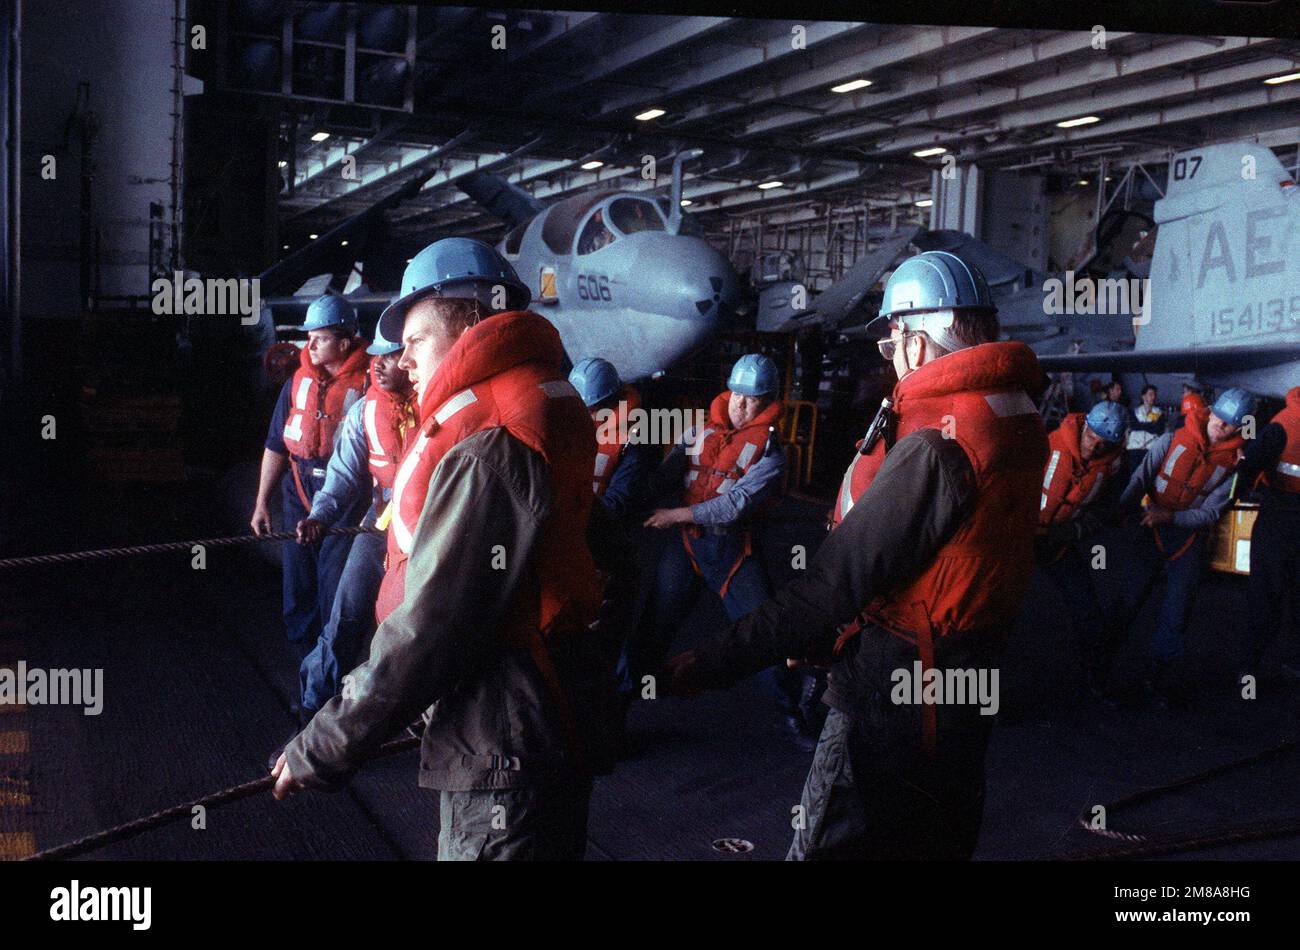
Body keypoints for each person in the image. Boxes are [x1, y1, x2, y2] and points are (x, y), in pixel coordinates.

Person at [665, 250, 1048, 859]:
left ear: (919, 344)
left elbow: (830, 586)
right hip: (965, 677)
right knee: (935, 834)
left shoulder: (936, 445)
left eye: (891, 342)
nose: (890, 358)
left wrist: (706, 664)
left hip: (897, 687)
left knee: (833, 840)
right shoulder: (1017, 413)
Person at [272, 238, 615, 861]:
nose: (402, 363)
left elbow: (431, 627)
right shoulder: (545, 394)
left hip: (501, 743)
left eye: (416, 341)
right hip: (548, 713)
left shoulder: (490, 440)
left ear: (473, 319)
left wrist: (321, 746)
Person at [636, 354, 815, 750]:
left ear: (766, 401)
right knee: (653, 623)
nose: (739, 404)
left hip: (730, 548)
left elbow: (734, 506)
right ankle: (620, 700)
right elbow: (666, 475)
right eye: (735, 394)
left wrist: (674, 514)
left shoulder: (770, 454)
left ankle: (793, 711)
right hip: (687, 543)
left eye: (750, 399)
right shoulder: (697, 431)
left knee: (762, 632)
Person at [293, 322, 417, 730]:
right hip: (379, 524)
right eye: (376, 356)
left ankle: (422, 721)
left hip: (428, 529)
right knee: (345, 618)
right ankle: (313, 718)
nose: (379, 365)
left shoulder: (439, 408)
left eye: (391, 356)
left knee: (419, 626)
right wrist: (319, 517)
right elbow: (343, 476)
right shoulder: (365, 410)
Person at [250, 295, 370, 668]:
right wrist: (261, 502)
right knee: (298, 594)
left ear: (345, 342)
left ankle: (333, 680)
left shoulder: (370, 384)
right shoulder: (297, 383)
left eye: (319, 338)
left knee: (336, 594)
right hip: (298, 492)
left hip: (346, 500)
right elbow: (276, 444)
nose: (309, 346)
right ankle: (307, 678)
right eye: (308, 337)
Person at [1115, 387, 1255, 706]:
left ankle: (1156, 680)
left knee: (1176, 615)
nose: (1221, 426)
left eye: (1230, 423)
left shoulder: (1232, 466)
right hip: (1150, 528)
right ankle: (1098, 668)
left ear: (1241, 426)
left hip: (1186, 539)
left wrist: (1171, 517)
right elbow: (1142, 476)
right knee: (1127, 601)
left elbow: (1211, 512)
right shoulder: (1172, 438)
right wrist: (1122, 510)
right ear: (1211, 411)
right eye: (1219, 417)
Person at [569, 357, 661, 720]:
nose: (587, 416)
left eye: (594, 409)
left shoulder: (638, 438)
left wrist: (570, 520)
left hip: (614, 544)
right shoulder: (569, 420)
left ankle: (612, 724)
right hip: (575, 538)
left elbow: (621, 500)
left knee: (616, 639)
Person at [1036, 400, 1128, 697]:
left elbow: (1105, 512)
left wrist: (1072, 531)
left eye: (1104, 444)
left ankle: (1097, 681)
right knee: (997, 616)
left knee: (1089, 614)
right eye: (1092, 437)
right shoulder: (1044, 445)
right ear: (1084, 426)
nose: (1094, 447)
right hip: (1018, 544)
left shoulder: (1113, 468)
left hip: (1060, 544)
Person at [1233, 385, 1300, 685]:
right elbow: (1247, 468)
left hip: (1283, 517)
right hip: (1280, 518)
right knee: (1266, 597)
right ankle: (1249, 667)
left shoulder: (1281, 424)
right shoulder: (1283, 425)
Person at [1127, 384, 1164, 471]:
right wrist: (1150, 425)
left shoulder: (1159, 413)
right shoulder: (1135, 411)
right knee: (1134, 475)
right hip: (1135, 448)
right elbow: (1134, 426)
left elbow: (1158, 430)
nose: (1153, 397)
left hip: (1150, 449)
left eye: (1154, 395)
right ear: (1143, 397)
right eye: (1150, 394)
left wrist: (1141, 425)